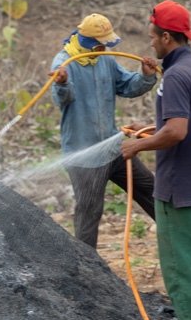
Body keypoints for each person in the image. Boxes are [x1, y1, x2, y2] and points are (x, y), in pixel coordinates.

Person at [120, 1, 191, 320]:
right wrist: (147, 129)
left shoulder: (176, 76)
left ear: (166, 36)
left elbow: (177, 131)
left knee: (184, 267)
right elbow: (186, 122)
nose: (150, 44)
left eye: (152, 38)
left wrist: (138, 146)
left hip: (179, 186)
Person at [49, 13, 159, 249]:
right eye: (101, 43)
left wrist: (146, 77)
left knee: (153, 192)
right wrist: (61, 83)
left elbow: (126, 85)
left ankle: (180, 241)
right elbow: (63, 100)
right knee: (89, 214)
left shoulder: (104, 59)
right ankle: (87, 272)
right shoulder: (64, 63)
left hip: (113, 147)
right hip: (84, 156)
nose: (105, 47)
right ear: (88, 41)